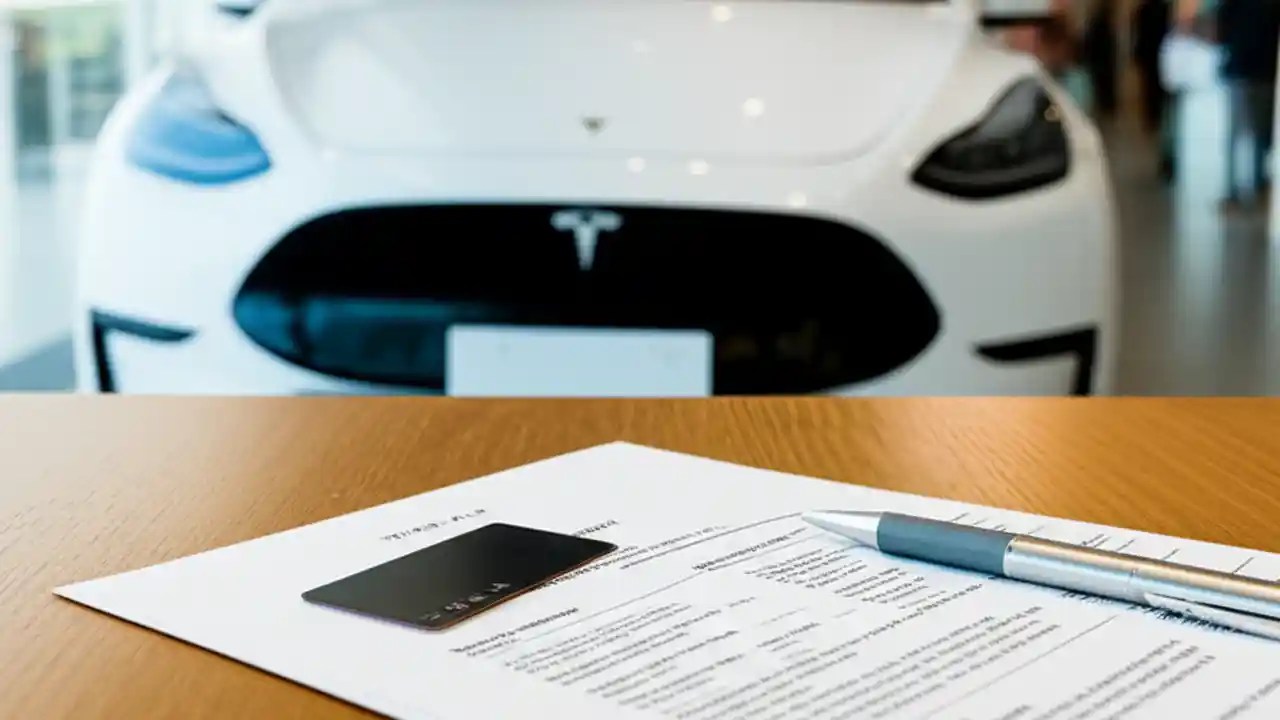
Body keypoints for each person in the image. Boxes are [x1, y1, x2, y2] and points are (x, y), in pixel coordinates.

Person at [1218, 0, 1280, 210]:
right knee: (1260, 133)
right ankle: (1258, 185)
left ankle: (1234, 190)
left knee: (1236, 135)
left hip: (1241, 70)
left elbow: (1222, 30)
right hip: (1264, 71)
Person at [1132, 0, 1172, 134]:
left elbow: (1138, 34)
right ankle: (1157, 119)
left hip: (1149, 53)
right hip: (1159, 53)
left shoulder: (1143, 9)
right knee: (1157, 89)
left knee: (1149, 89)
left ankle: (1151, 119)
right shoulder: (1164, 8)